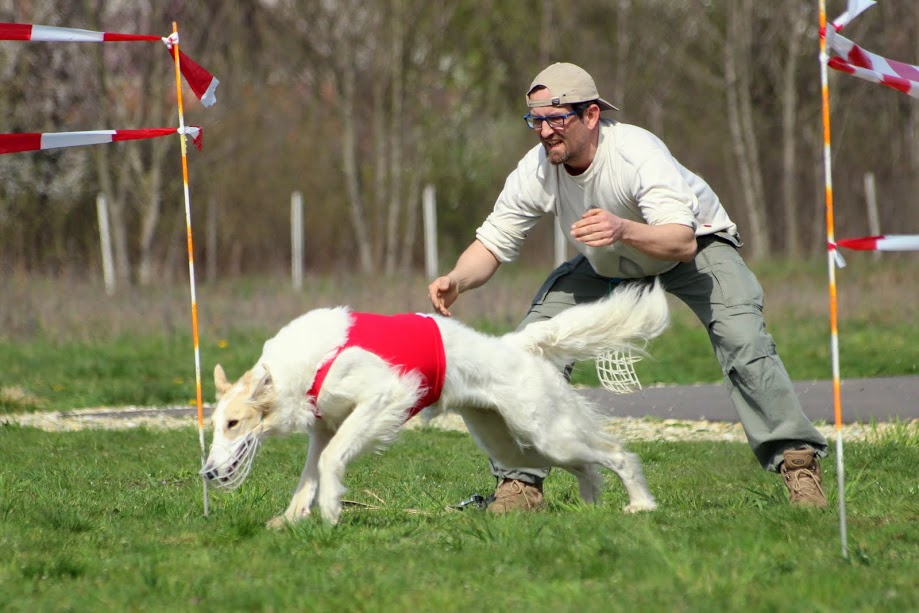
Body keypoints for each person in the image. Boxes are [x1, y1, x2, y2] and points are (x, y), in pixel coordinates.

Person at [427, 62, 829, 512]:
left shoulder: (637, 150)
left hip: (694, 248)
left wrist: (622, 228)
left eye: (556, 118)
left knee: (744, 339)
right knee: (528, 349)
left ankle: (798, 465)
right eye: (535, 120)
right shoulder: (536, 169)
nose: (544, 132)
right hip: (609, 262)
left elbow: (680, 239)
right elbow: (493, 244)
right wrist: (456, 280)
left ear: (592, 115)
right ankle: (520, 486)